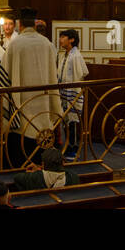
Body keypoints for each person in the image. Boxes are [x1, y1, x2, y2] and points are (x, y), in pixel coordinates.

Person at [4, 6, 61, 148]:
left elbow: (5, 73)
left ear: (19, 24)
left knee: (24, 127)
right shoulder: (46, 43)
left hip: (23, 99)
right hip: (42, 98)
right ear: (34, 24)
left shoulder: (15, 44)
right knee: (41, 121)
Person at [56, 27, 89, 158]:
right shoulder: (64, 54)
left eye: (63, 37)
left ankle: (73, 149)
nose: (60, 40)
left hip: (72, 93)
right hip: (64, 93)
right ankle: (68, 147)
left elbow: (83, 72)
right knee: (66, 122)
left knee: (72, 122)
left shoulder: (75, 56)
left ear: (72, 40)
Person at [11, 147, 77, 191]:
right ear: (63, 162)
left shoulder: (35, 177)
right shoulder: (73, 177)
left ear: (43, 164)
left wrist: (38, 171)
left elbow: (17, 178)